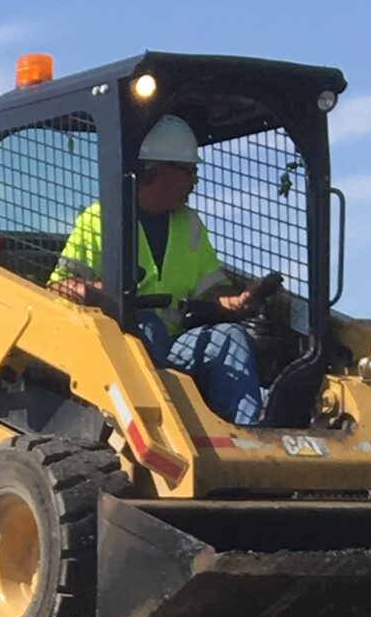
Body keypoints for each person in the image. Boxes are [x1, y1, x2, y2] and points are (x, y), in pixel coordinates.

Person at [49, 114, 278, 425]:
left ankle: (246, 440)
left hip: (174, 345)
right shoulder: (98, 220)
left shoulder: (190, 224)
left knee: (230, 339)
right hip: (117, 350)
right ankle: (164, 425)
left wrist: (236, 303)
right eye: (189, 171)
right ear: (157, 171)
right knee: (147, 324)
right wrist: (103, 294)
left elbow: (212, 291)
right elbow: (59, 288)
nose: (194, 182)